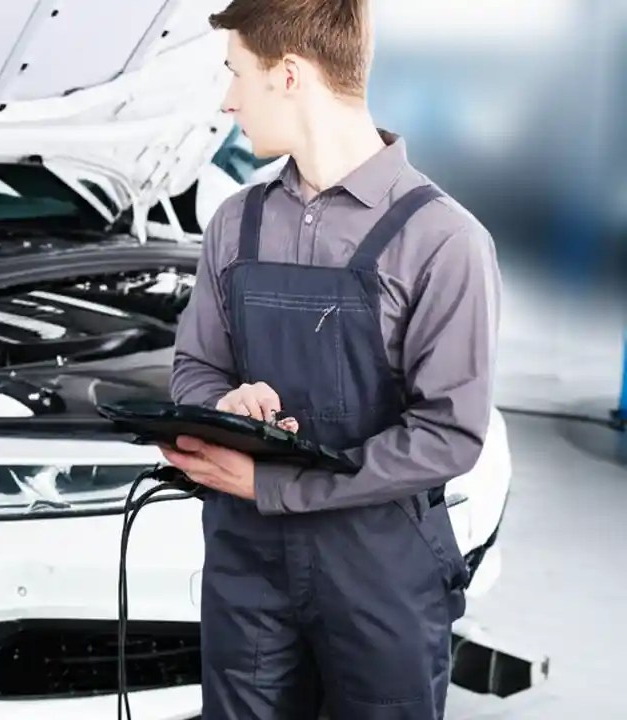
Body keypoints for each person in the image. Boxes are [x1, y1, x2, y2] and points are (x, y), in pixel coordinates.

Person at [161, 0, 502, 718]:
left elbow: (450, 435)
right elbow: (194, 367)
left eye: (236, 75)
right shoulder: (236, 223)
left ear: (288, 75)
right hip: (247, 570)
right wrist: (222, 403)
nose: (228, 100)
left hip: (379, 573)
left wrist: (275, 486)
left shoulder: (443, 241)